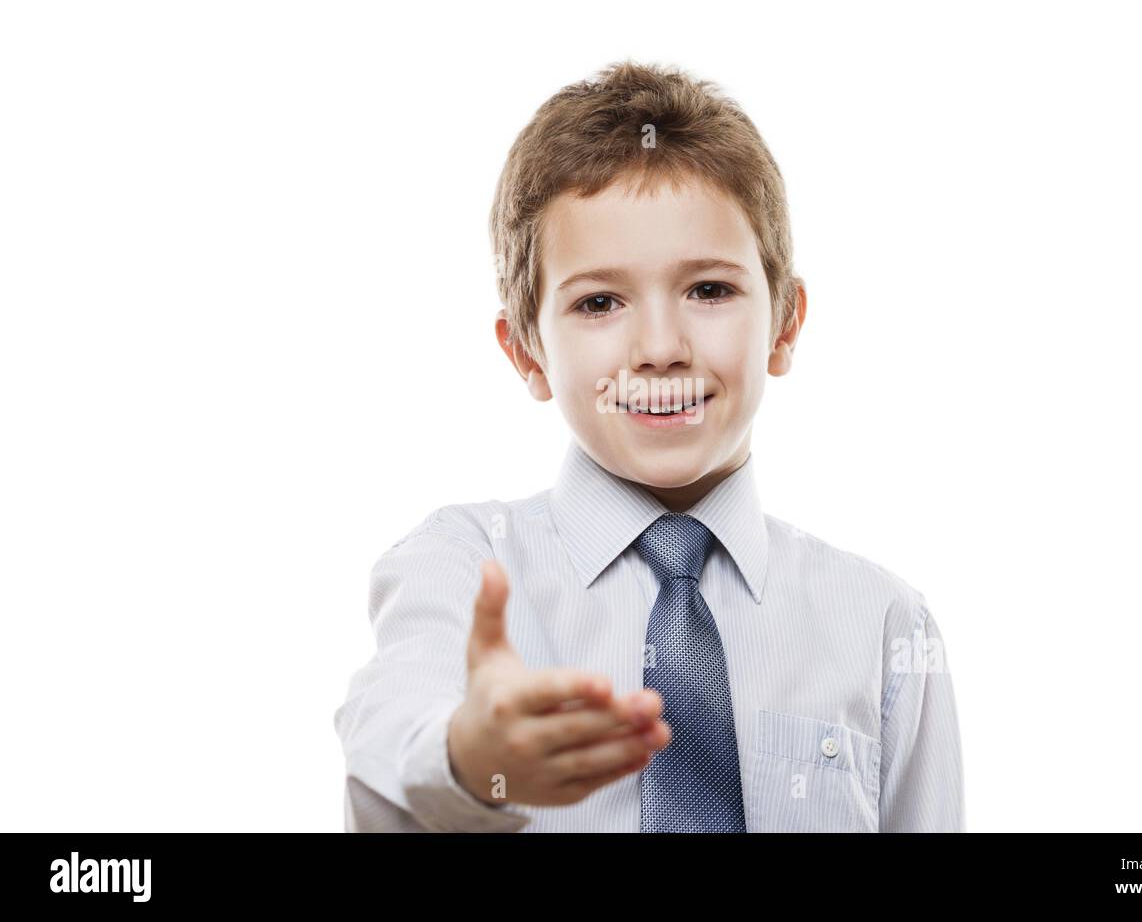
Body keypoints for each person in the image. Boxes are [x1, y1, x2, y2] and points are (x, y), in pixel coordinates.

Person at [333, 60, 964, 832]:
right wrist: (470, 756)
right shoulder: (462, 568)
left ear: (786, 324)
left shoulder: (885, 623)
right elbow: (387, 742)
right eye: (599, 302)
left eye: (709, 290)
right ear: (527, 352)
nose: (660, 347)